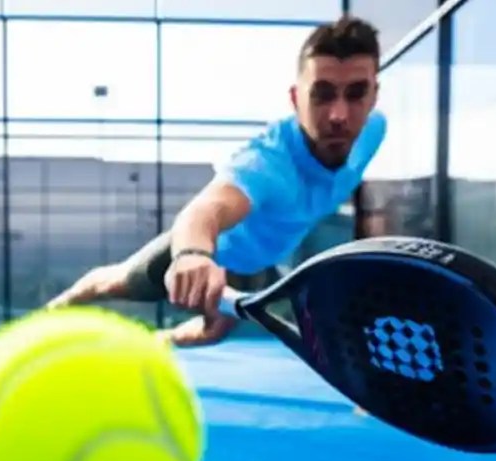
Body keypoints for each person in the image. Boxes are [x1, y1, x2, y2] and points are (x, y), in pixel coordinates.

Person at [46, 14, 388, 348]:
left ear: (374, 95)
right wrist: (192, 255)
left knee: (211, 333)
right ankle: (56, 309)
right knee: (115, 281)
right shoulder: (266, 164)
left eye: (356, 93)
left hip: (261, 264)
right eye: (322, 94)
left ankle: (154, 343)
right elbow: (206, 209)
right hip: (211, 256)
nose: (339, 115)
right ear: (296, 99)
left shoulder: (374, 131)